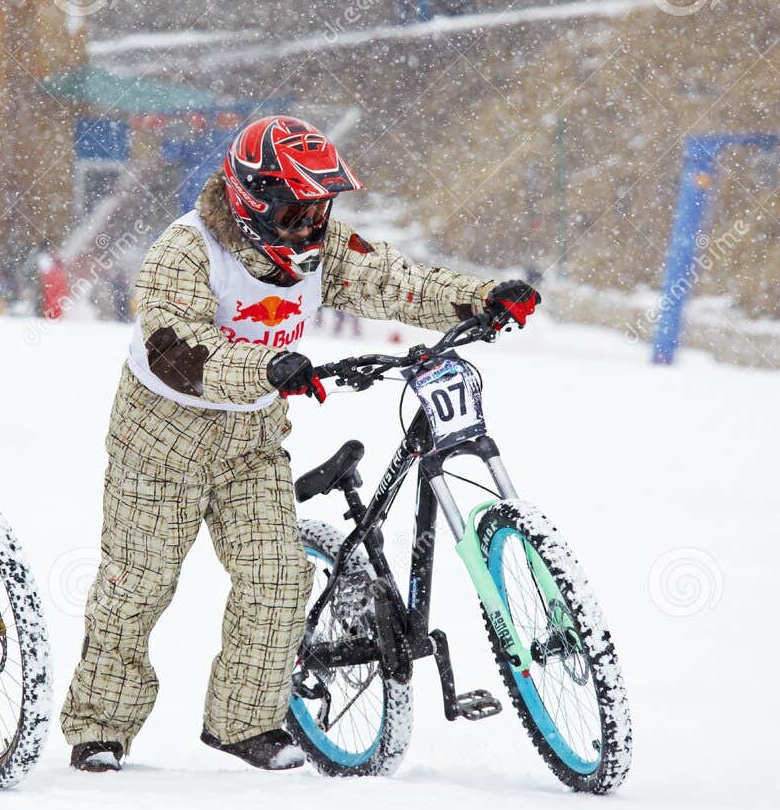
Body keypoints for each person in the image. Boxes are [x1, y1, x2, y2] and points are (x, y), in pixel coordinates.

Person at [60, 115, 539, 773]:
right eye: (296, 212)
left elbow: (398, 282)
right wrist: (264, 367)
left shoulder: (323, 248)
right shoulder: (187, 251)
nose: (311, 227)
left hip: (250, 442)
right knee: (136, 586)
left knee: (280, 576)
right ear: (255, 203)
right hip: (160, 442)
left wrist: (480, 299)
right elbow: (176, 351)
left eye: (321, 209)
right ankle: (100, 729)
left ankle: (242, 722)